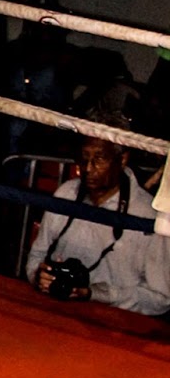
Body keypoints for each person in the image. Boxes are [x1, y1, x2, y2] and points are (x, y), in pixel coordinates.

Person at [24, 117, 170, 315]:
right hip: (55, 312)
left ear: (123, 159)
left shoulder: (148, 214)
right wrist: (39, 276)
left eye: (99, 159)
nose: (88, 168)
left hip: (113, 325)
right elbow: (36, 257)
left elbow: (160, 298)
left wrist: (98, 294)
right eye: (84, 158)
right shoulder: (65, 194)